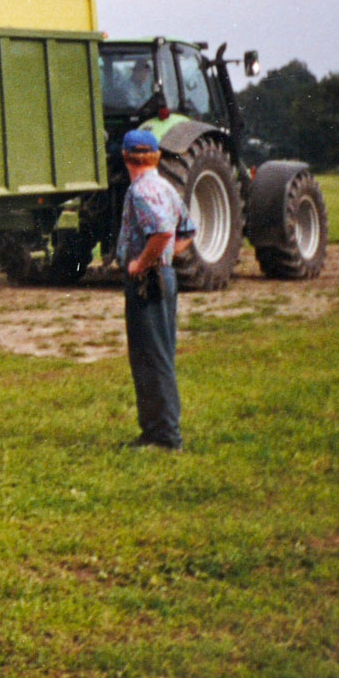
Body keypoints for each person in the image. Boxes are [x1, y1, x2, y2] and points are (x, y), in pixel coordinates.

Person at [113, 129, 193, 450]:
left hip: (148, 281)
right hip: (165, 277)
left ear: (125, 158)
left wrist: (142, 262)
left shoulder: (140, 191)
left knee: (151, 357)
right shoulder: (166, 187)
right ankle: (157, 431)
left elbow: (161, 231)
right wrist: (166, 255)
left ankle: (163, 436)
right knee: (159, 354)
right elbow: (186, 231)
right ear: (156, 157)